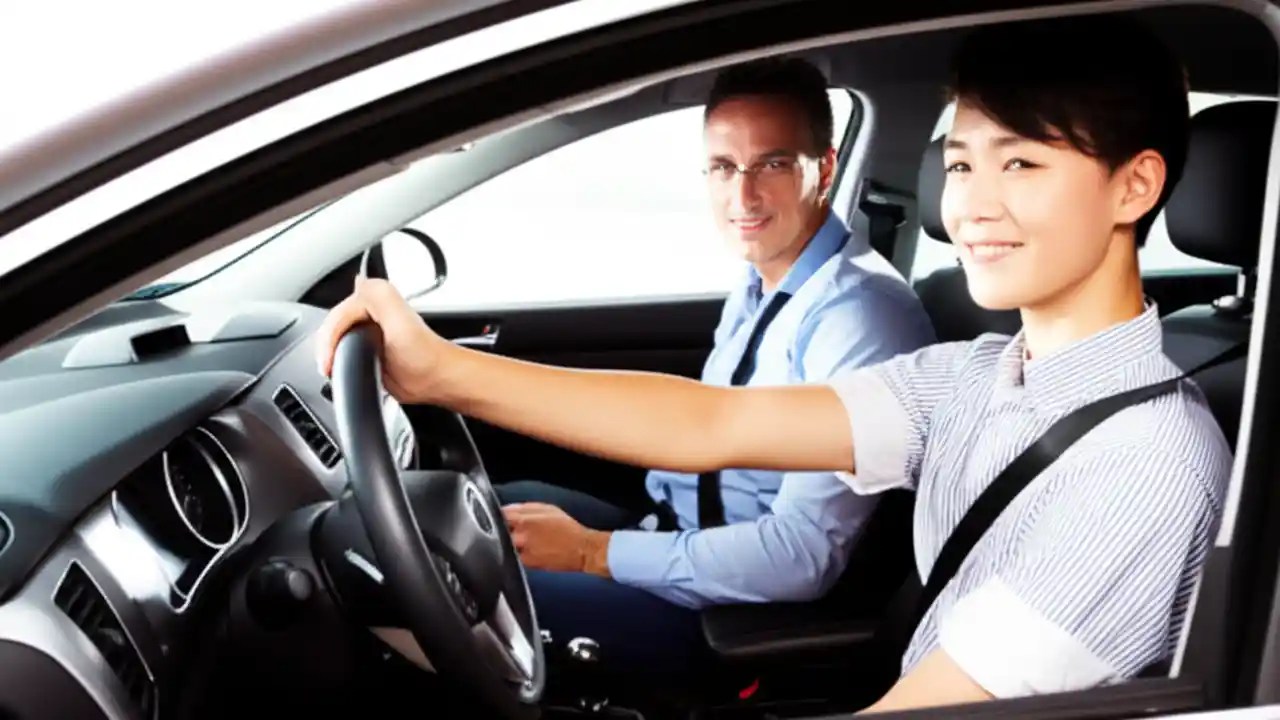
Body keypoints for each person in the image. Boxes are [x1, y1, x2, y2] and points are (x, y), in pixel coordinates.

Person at [316, 13, 1233, 714]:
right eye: (959, 165)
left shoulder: (1143, 467)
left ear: (1135, 186)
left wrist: (599, 552)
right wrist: (441, 372)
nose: (971, 208)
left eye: (1022, 164)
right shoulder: (978, 375)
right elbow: (714, 426)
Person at [488, 57, 935, 672]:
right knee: (481, 513)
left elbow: (802, 557)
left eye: (773, 164)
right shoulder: (762, 281)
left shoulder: (858, 317)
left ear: (824, 170)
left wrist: (594, 552)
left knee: (465, 588)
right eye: (724, 168)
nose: (743, 195)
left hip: (735, 614)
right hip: (674, 536)